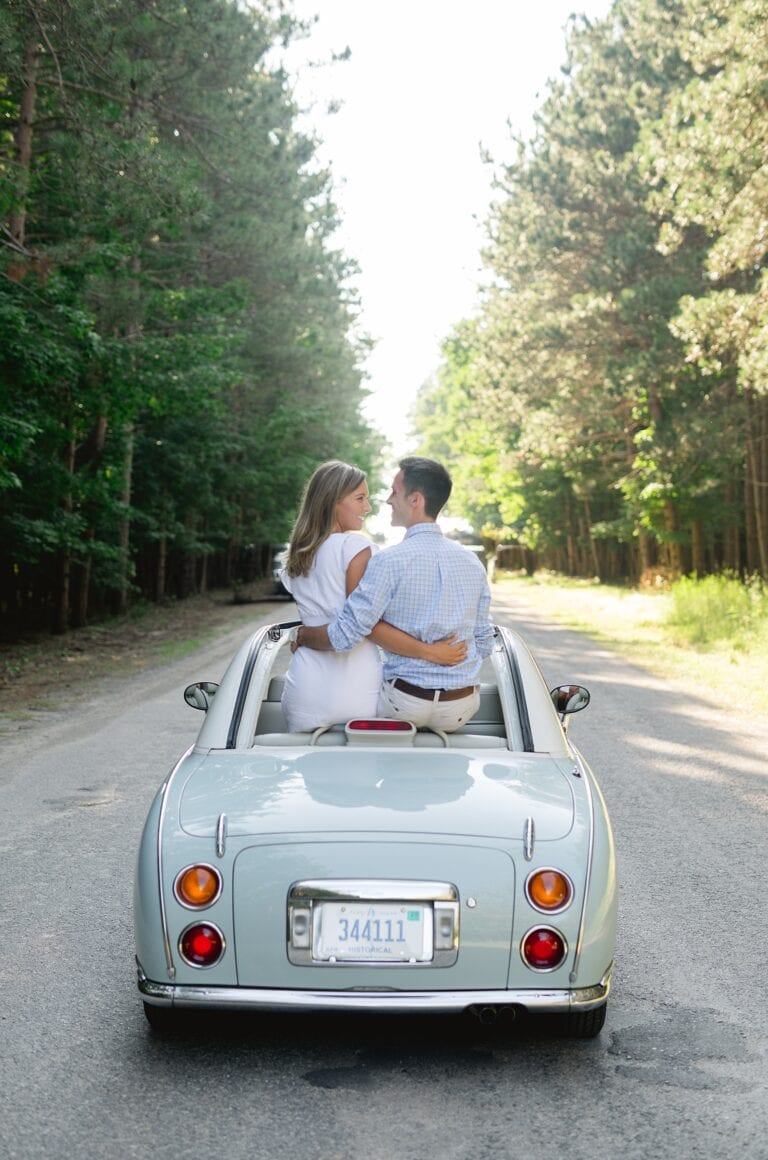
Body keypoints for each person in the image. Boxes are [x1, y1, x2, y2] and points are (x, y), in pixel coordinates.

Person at [294, 456, 494, 732]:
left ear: (415, 500)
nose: (387, 500)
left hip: (405, 703)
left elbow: (347, 634)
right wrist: (447, 660)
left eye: (394, 492)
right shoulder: (472, 562)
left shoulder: (387, 561)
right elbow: (484, 642)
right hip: (462, 705)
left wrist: (303, 635)